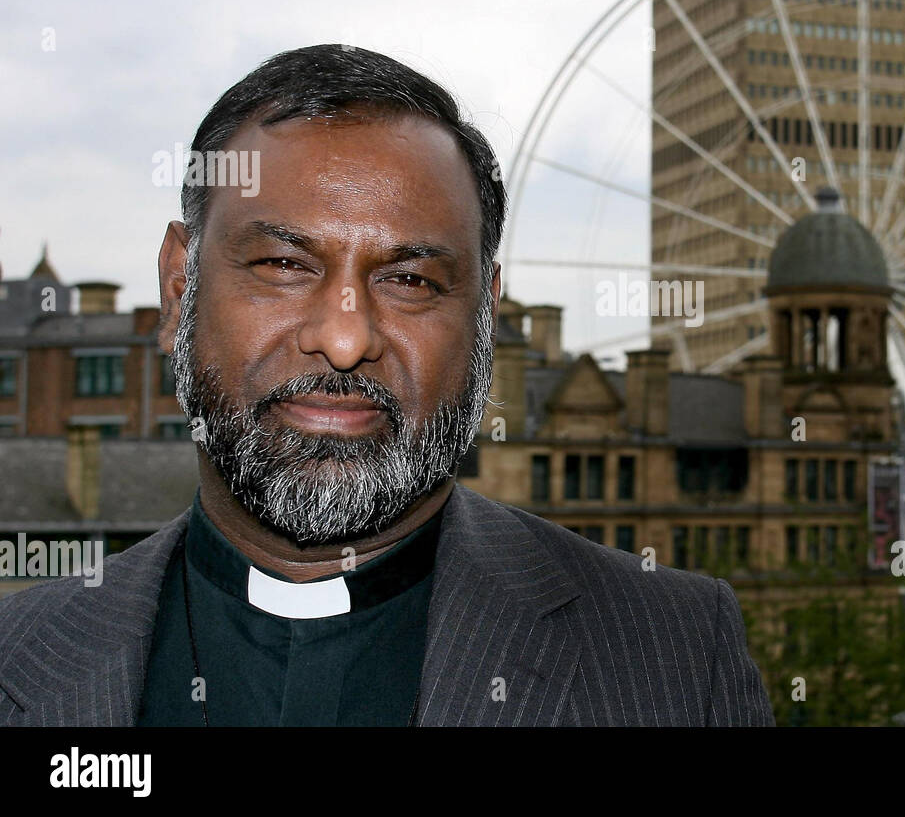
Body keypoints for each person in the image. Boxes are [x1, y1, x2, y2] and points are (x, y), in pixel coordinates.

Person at [0, 45, 774, 727]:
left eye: (409, 279)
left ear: (485, 318)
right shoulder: (17, 656)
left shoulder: (673, 654)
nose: (344, 337)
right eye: (282, 266)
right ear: (179, 291)